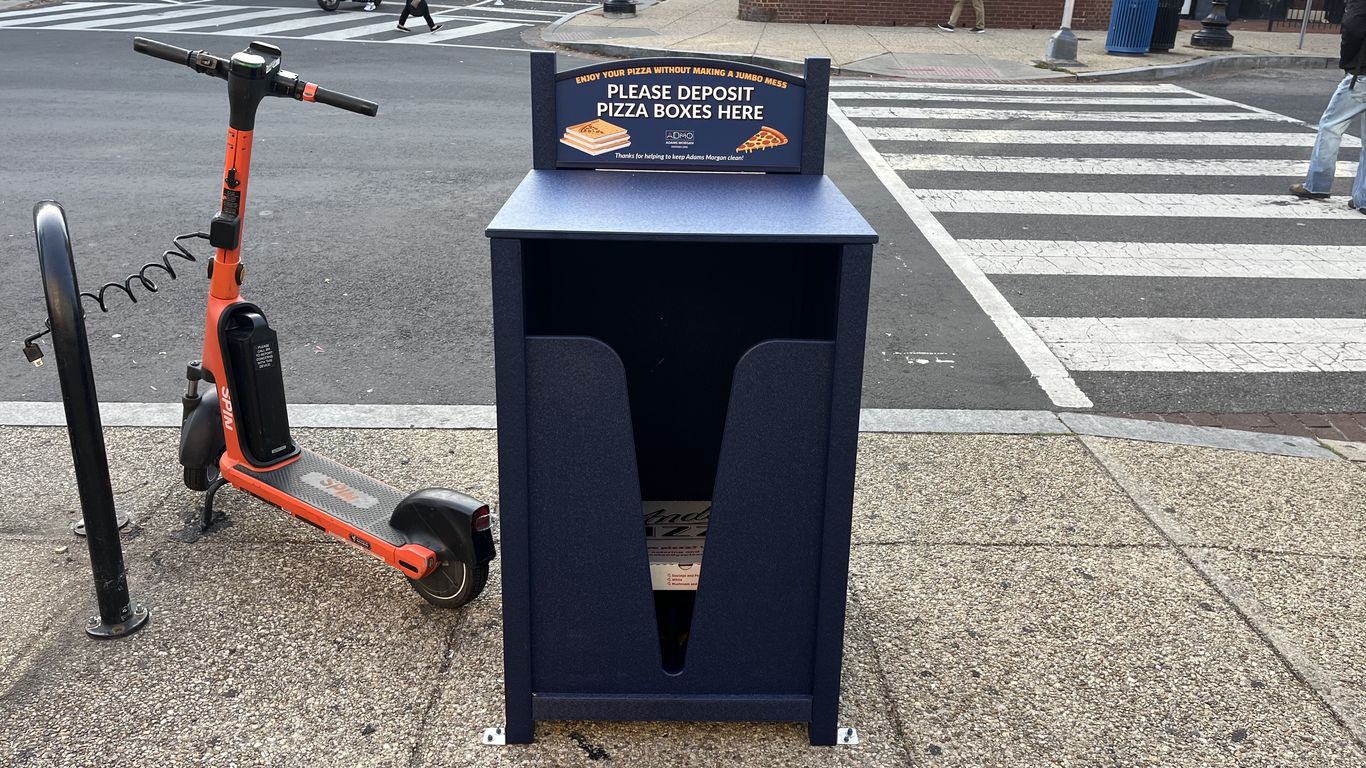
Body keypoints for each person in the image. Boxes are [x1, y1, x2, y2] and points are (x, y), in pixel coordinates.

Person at [1290, 0, 1364, 214]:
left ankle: (1317, 185)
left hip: (1361, 75)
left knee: (1330, 127)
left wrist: (1348, 62)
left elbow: (1352, 29)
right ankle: (1363, 198)